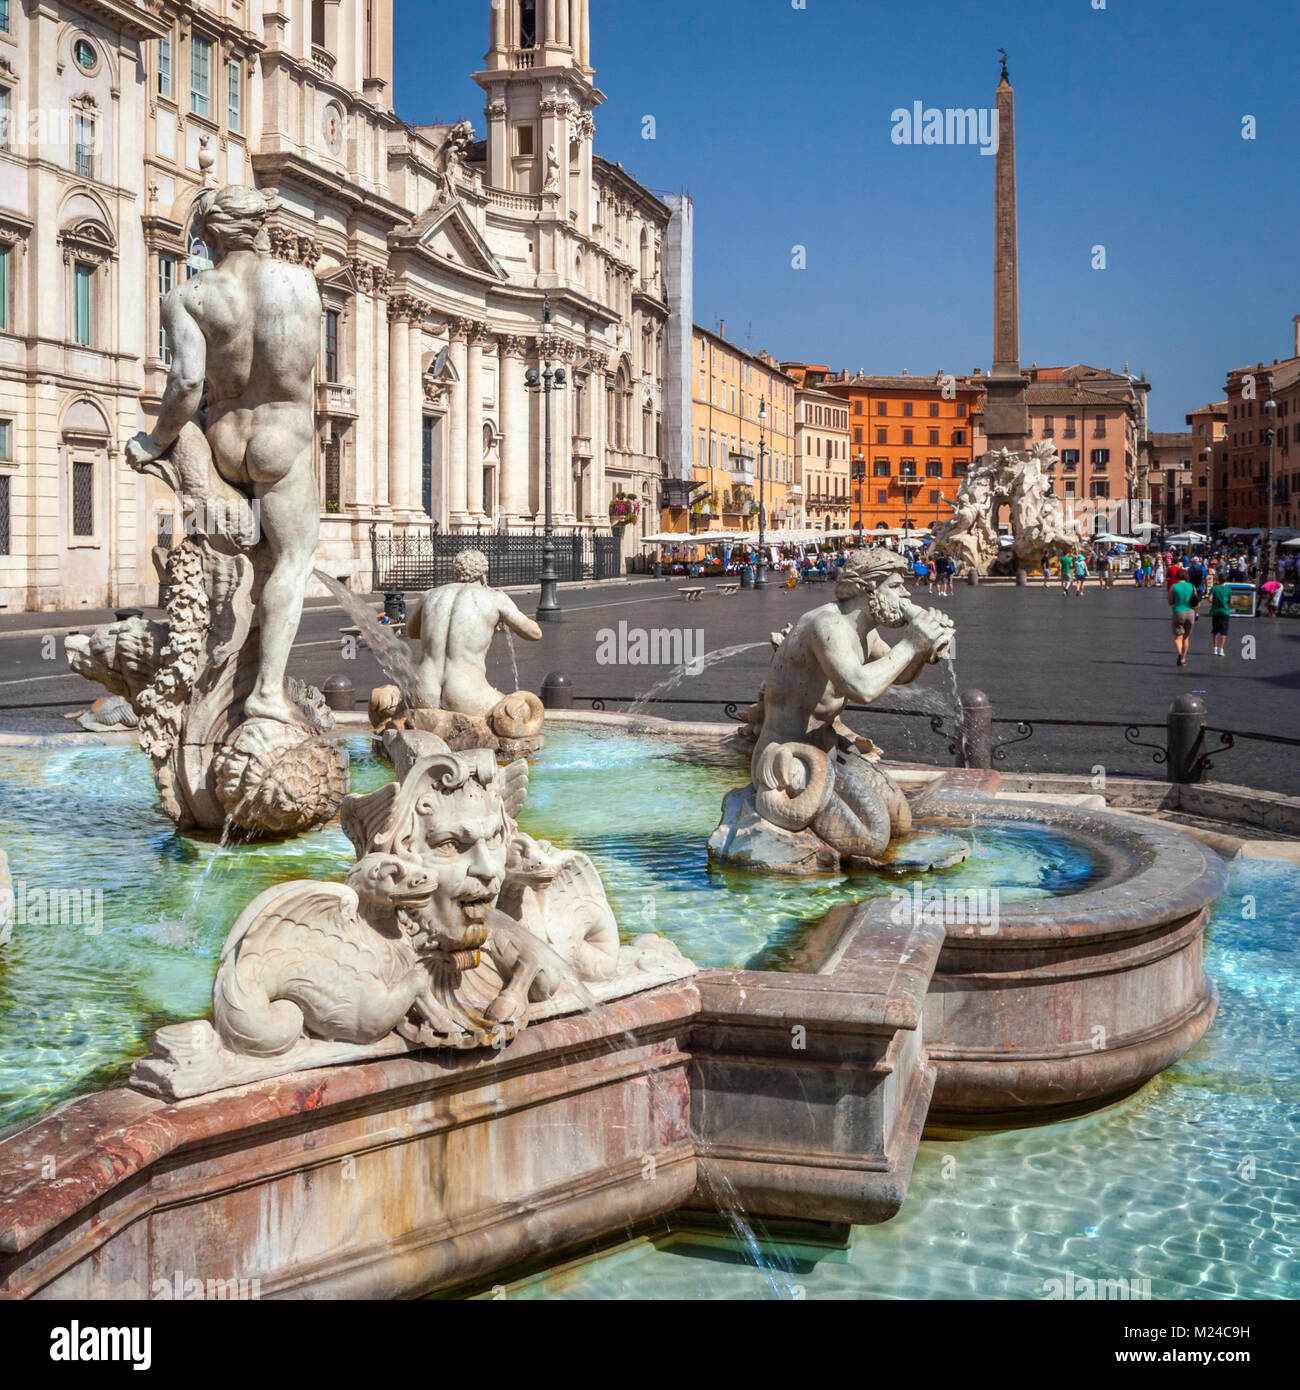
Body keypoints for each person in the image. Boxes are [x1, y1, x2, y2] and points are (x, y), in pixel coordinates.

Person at [1168, 566, 1198, 666]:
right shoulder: (1191, 586)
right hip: (1190, 612)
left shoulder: (1174, 587)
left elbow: (1170, 601)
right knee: (1186, 637)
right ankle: (1184, 659)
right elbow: (1196, 600)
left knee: (1178, 637)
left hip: (1178, 612)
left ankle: (1179, 654)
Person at [1207, 570, 1232, 657]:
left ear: (1218, 579)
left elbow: (1210, 599)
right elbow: (1230, 602)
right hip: (1225, 612)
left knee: (1215, 631)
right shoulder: (1228, 590)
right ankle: (1221, 649)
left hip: (1216, 611)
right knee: (1224, 632)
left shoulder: (1214, 588)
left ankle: (1215, 648)